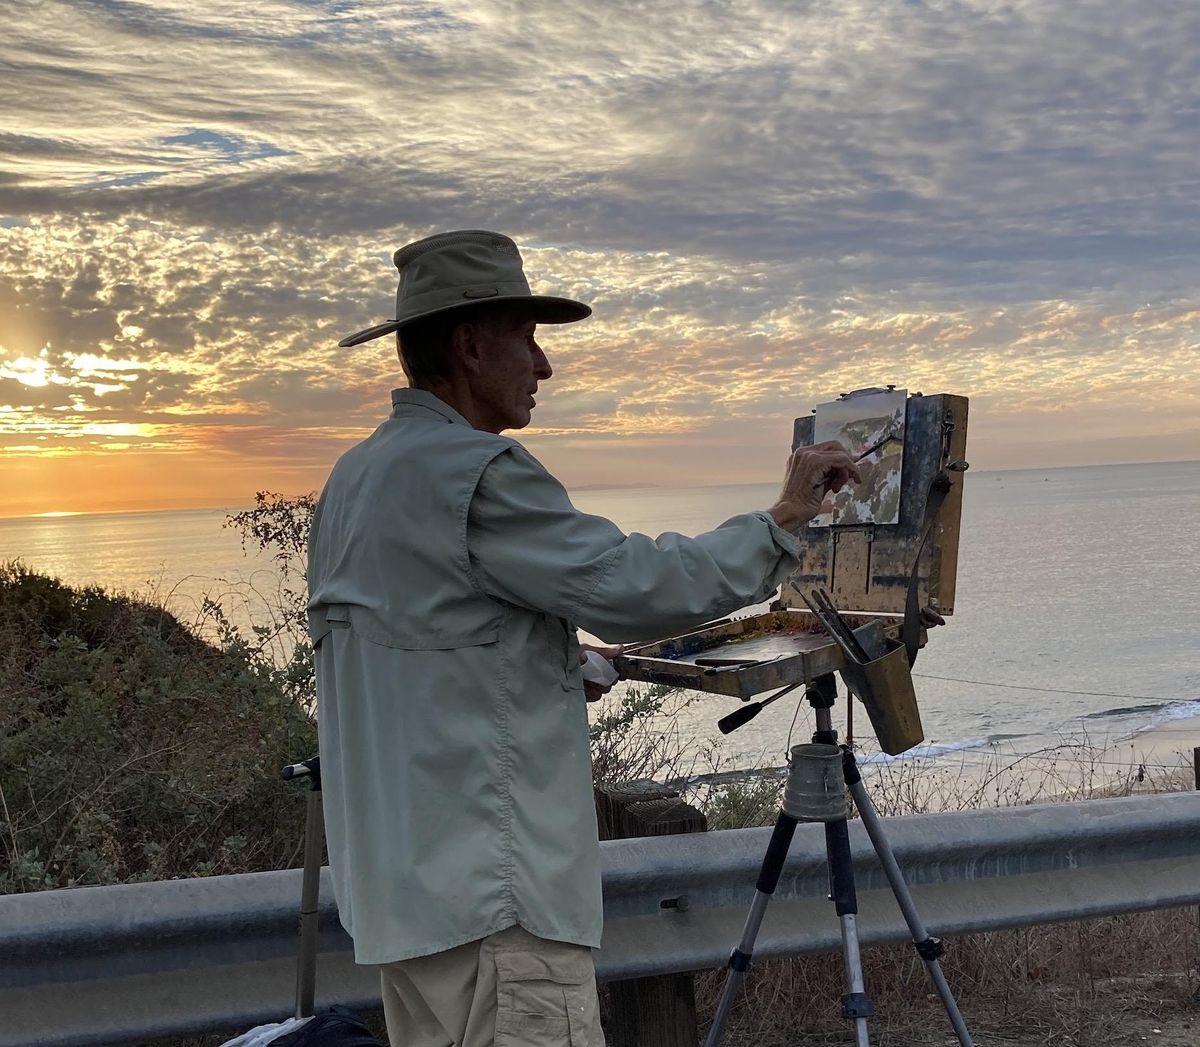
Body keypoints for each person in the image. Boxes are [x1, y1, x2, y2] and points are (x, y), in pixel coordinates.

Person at [307, 229, 860, 1047]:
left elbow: (418, 642)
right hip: (500, 915)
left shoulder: (355, 480)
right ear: (468, 345)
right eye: (527, 338)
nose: (544, 365)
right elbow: (636, 588)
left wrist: (550, 659)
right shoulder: (480, 473)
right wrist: (779, 521)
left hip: (404, 908)